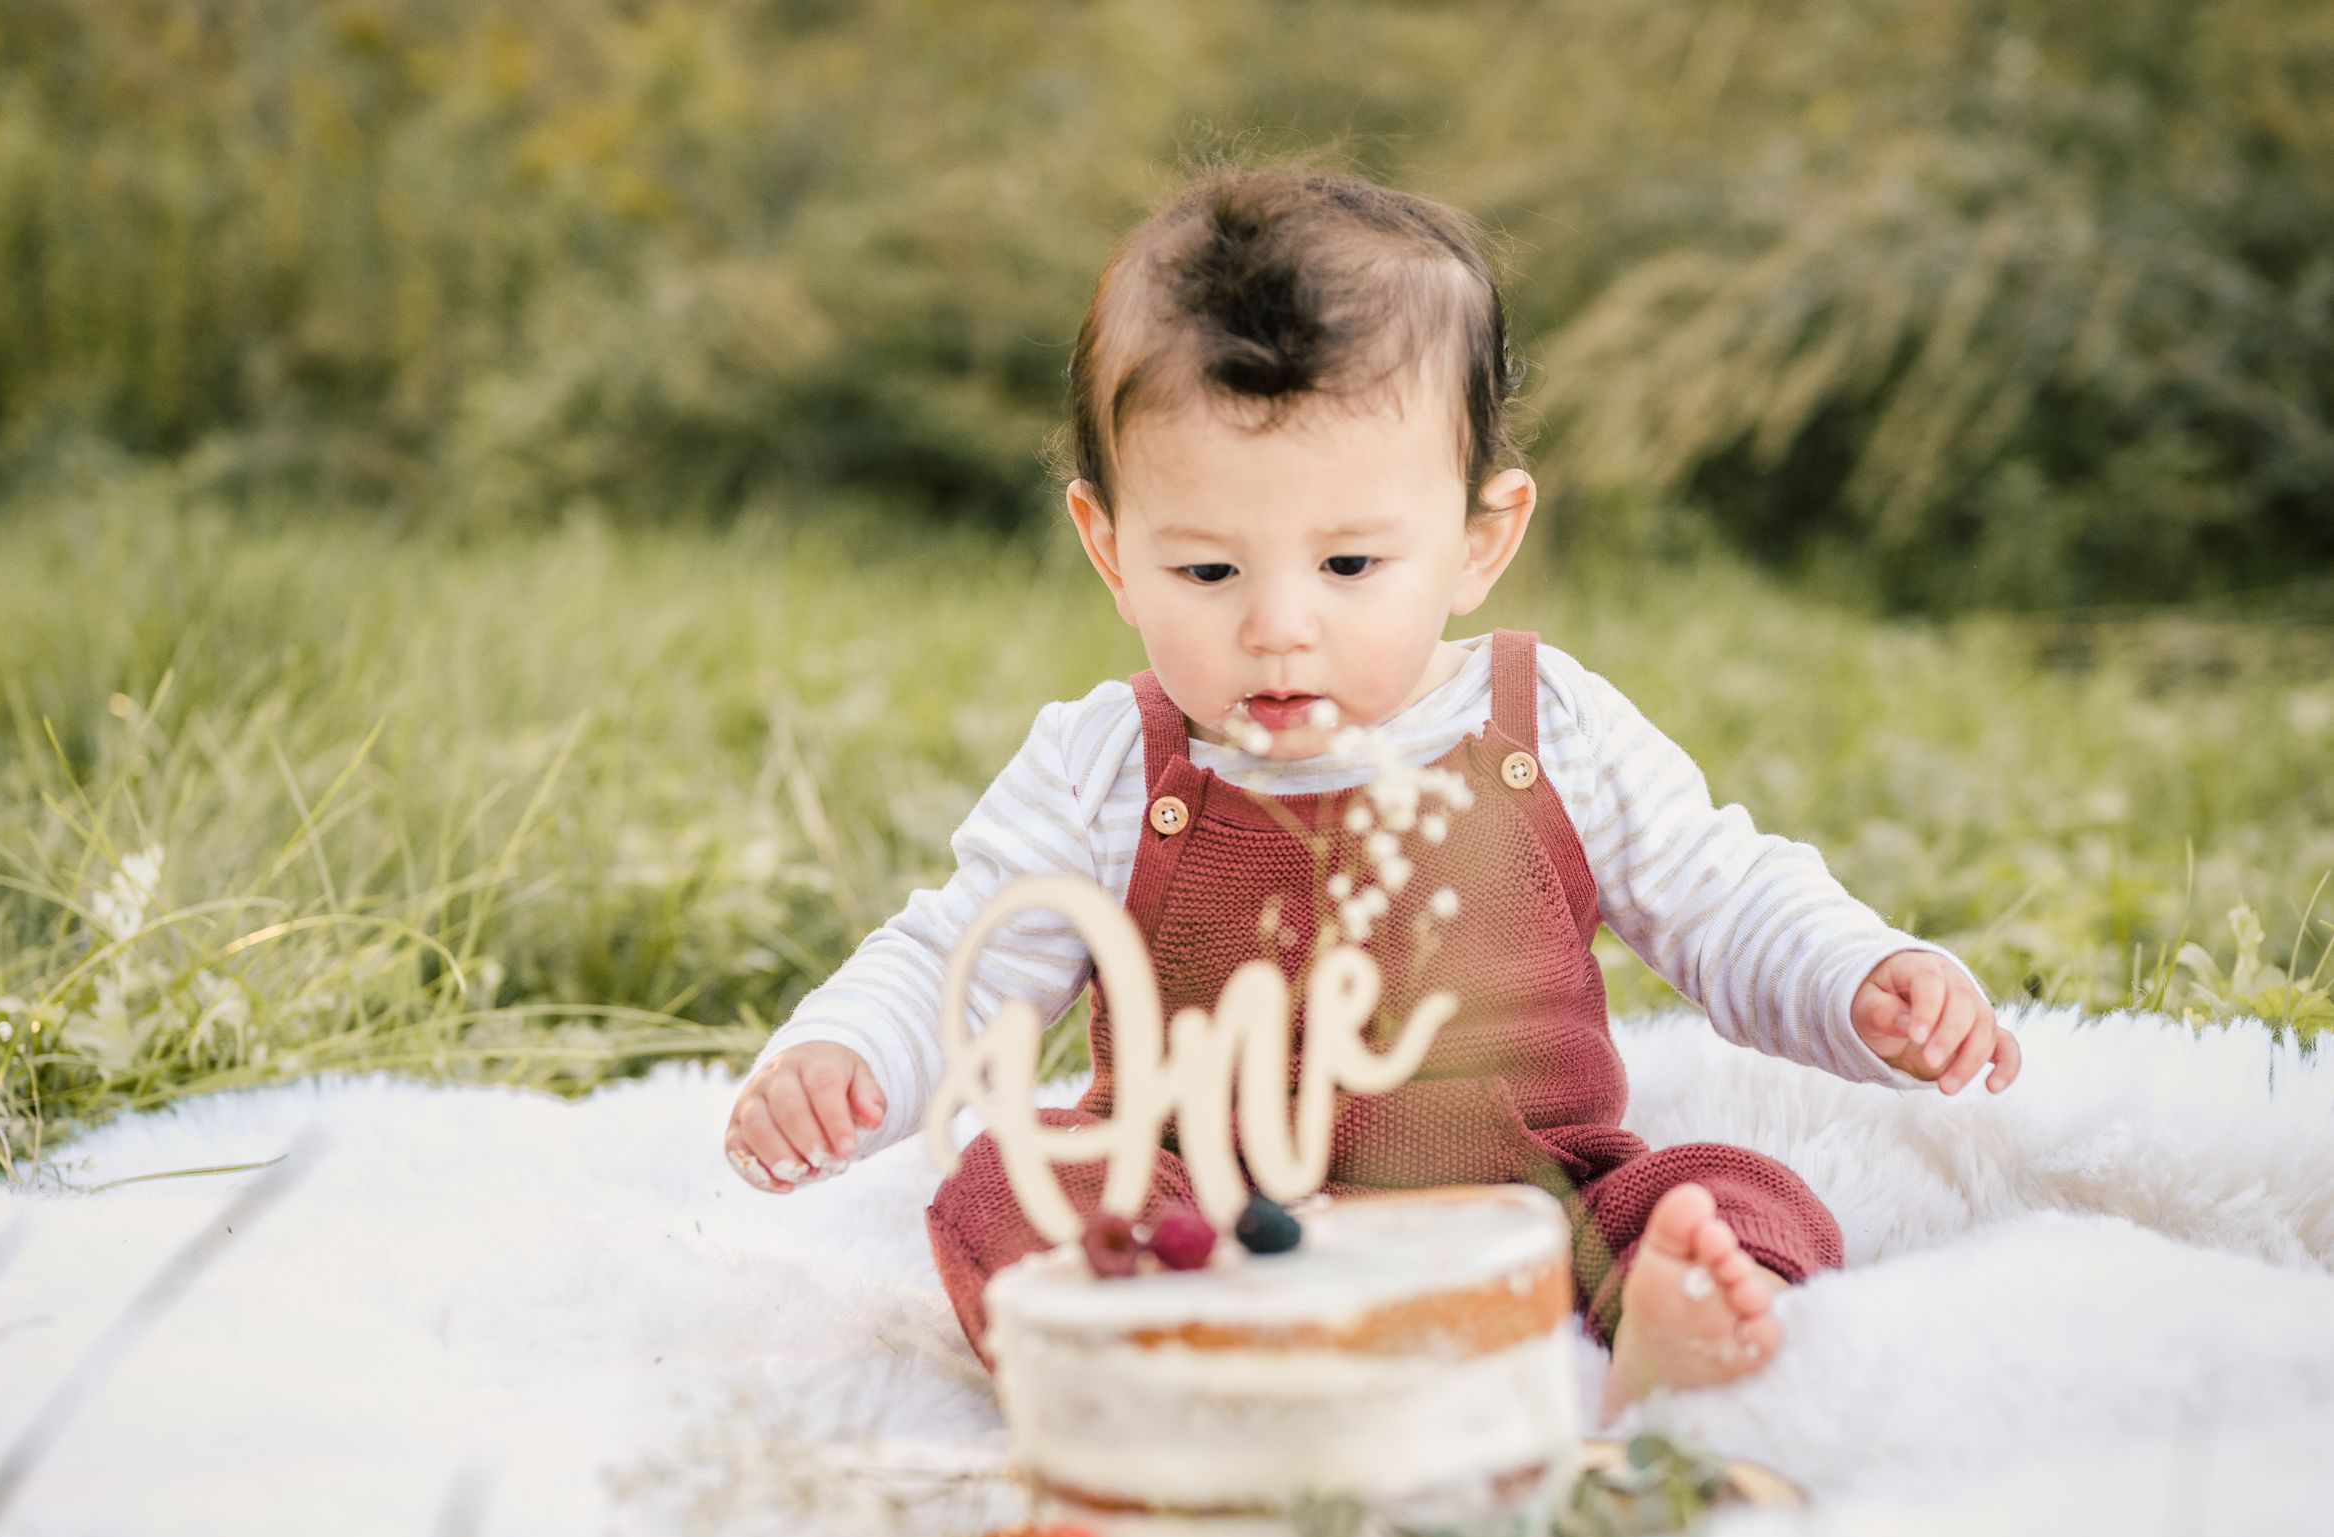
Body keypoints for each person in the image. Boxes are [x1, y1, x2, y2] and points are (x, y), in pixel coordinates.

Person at [722, 165, 2021, 1418]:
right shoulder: (1113, 763)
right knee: (1007, 1186)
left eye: (1348, 562)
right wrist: (843, 1058)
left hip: (1523, 1213)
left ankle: (1669, 1319)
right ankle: (1173, 1376)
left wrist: (1863, 977)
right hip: (1195, 1222)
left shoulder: (1544, 725)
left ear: (1477, 540)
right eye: (1208, 573)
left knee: (1732, 1189)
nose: (1280, 627)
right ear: (1110, 549)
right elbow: (964, 953)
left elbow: (1723, 895)